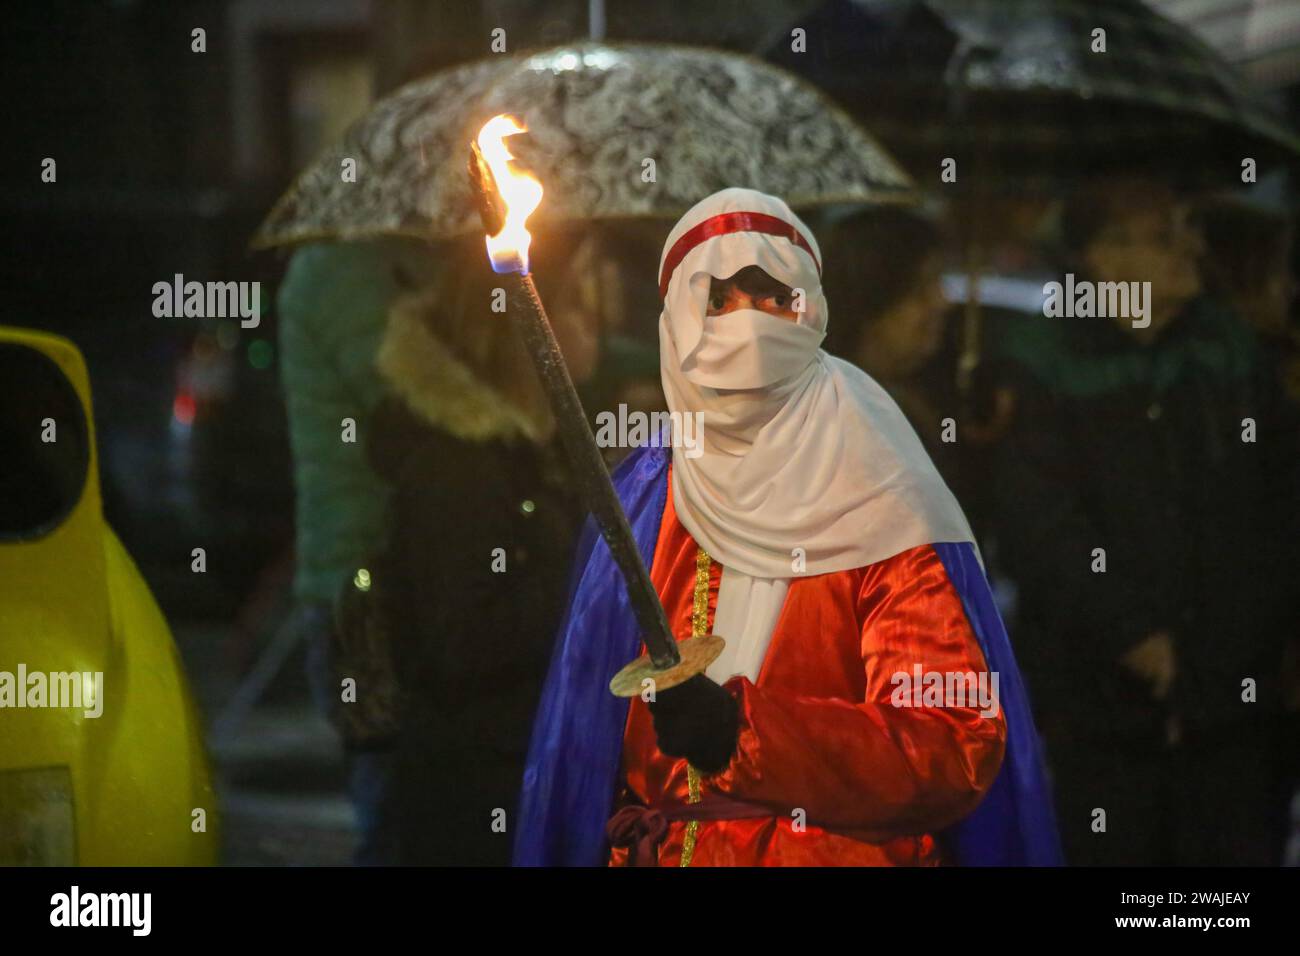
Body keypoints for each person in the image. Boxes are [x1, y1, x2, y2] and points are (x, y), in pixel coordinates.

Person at [514, 188, 1061, 867]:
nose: (748, 327)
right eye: (719, 300)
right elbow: (581, 751)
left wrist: (750, 732)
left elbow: (950, 740)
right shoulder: (645, 494)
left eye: (775, 299)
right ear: (677, 318)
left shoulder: (878, 490)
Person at [992, 178, 1299, 865]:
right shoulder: (1045, 357)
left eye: (1189, 229)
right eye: (1167, 236)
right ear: (1101, 258)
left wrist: (1243, 635)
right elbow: (1037, 523)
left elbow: (1280, 500)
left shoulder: (1227, 348)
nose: (1192, 248)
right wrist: (1129, 631)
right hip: (1100, 705)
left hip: (1232, 705)